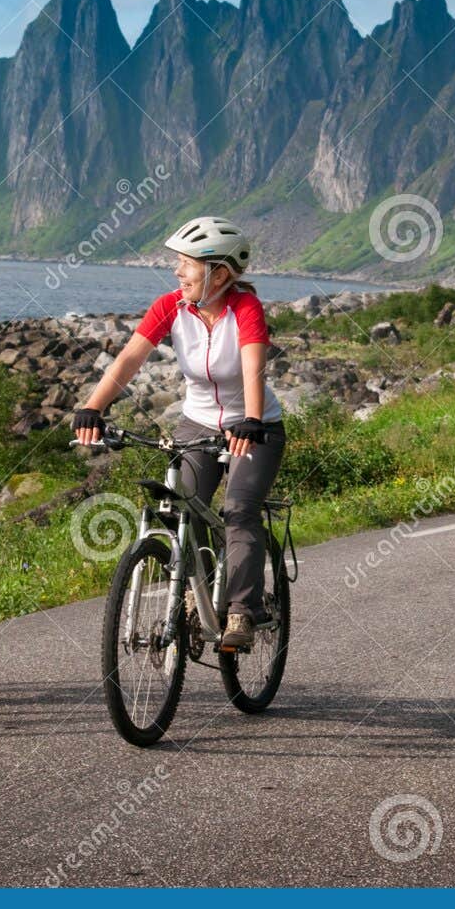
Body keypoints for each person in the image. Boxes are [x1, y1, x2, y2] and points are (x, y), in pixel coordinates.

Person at [72, 216, 285, 648]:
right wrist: (94, 406)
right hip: (198, 424)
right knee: (179, 509)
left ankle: (243, 611)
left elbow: (252, 364)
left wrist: (253, 420)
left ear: (219, 274)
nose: (177, 271)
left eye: (186, 264)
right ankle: (195, 593)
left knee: (239, 510)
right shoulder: (170, 306)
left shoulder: (245, 308)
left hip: (256, 426)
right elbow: (130, 359)